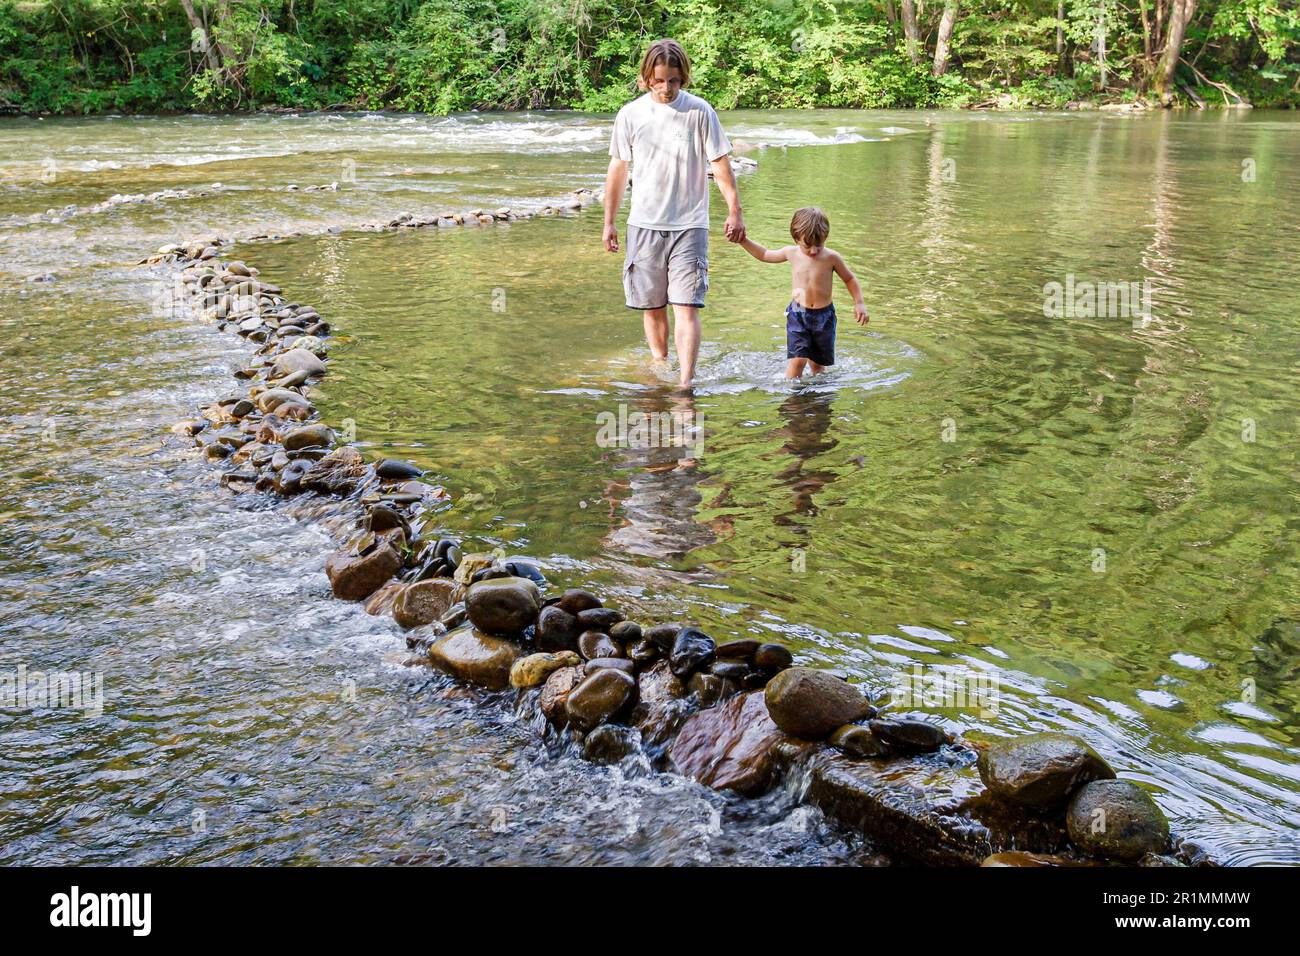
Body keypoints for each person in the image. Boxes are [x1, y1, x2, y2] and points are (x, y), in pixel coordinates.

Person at [602, 38, 746, 389]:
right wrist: (609, 222)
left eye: (674, 81)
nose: (667, 88)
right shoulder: (631, 115)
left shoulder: (700, 112)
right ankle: (660, 364)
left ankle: (685, 381)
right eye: (660, 80)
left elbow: (721, 166)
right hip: (644, 224)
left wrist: (735, 211)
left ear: (684, 79)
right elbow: (618, 171)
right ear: (646, 78)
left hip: (689, 225)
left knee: (686, 305)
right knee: (652, 306)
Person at [738, 206, 870, 379]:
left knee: (817, 364)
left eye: (819, 245)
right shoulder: (791, 253)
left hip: (824, 316)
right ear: (796, 239)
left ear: (826, 237)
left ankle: (817, 397)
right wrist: (743, 240)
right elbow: (764, 254)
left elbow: (850, 279)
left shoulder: (831, 257)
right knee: (798, 360)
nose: (814, 251)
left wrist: (859, 303)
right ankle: (793, 397)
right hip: (798, 313)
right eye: (807, 246)